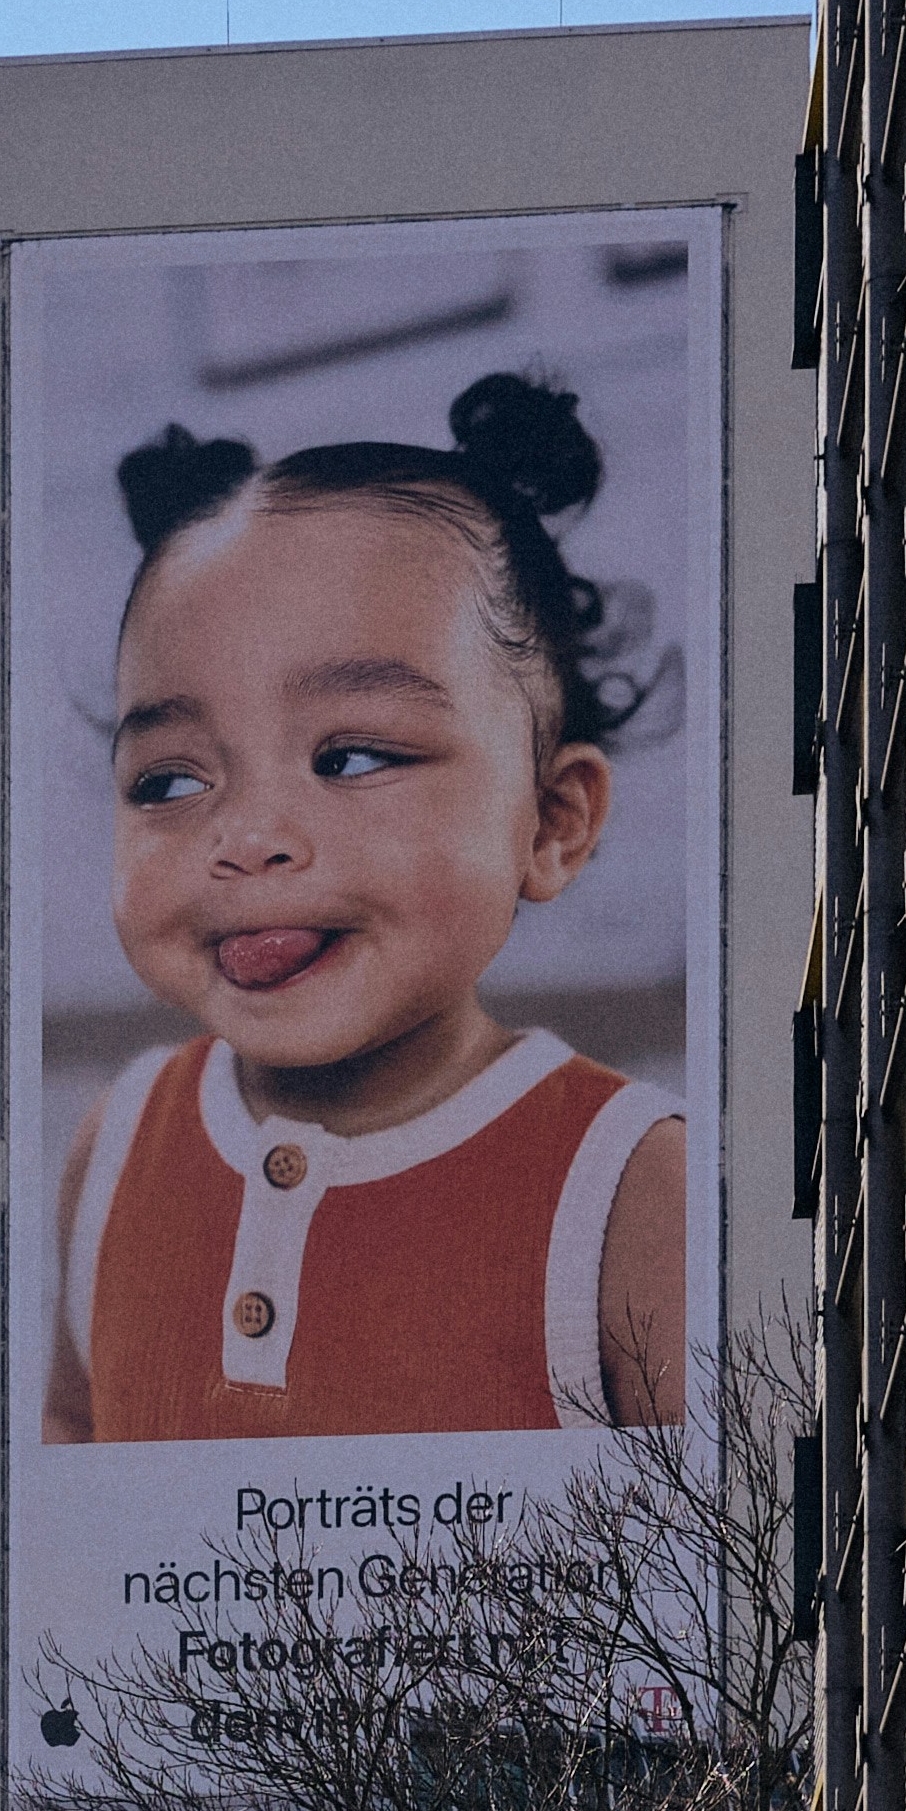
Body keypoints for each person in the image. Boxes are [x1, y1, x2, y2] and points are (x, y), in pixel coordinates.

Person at [45, 371, 686, 1443]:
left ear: (551, 823)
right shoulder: (116, 1143)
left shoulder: (630, 1180)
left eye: (350, 756)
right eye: (170, 781)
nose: (247, 837)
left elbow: (717, 1562)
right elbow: (73, 1441)